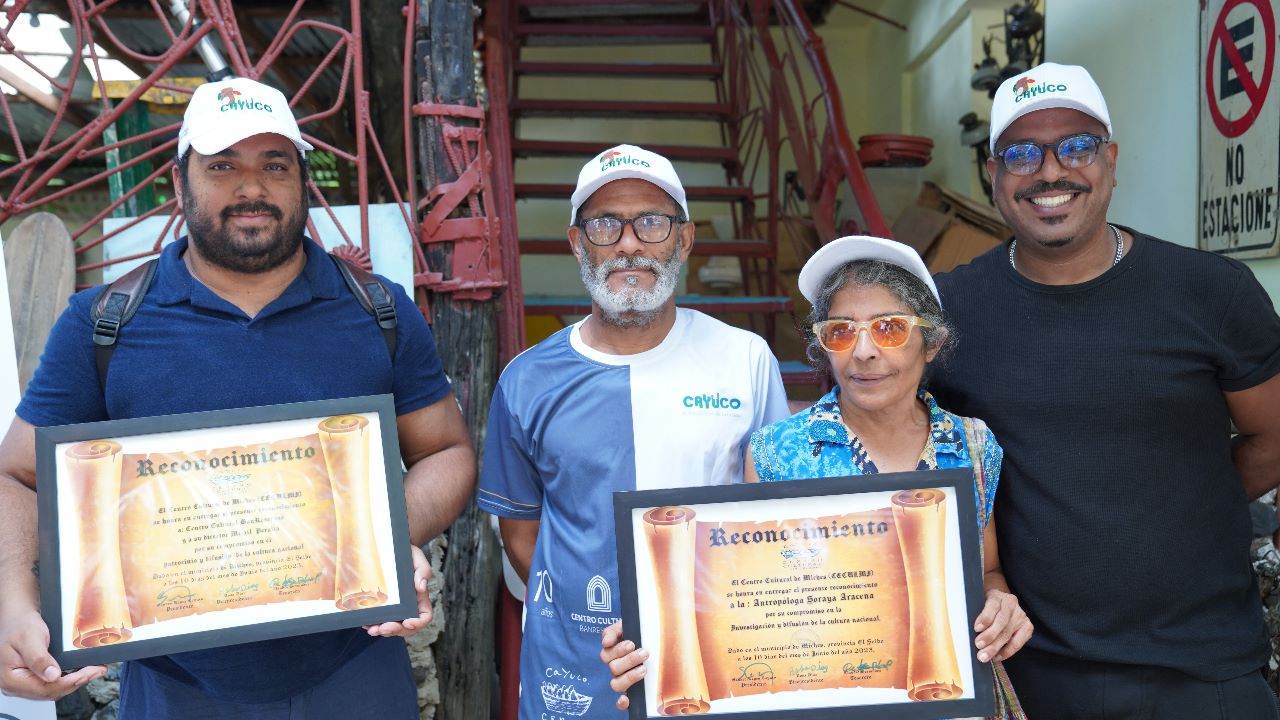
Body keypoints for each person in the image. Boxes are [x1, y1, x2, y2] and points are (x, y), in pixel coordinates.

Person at [0, 77, 476, 717]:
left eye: (273, 165)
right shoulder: (103, 322)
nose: (251, 187)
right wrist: (11, 602)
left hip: (353, 668)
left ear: (303, 180)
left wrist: (383, 538)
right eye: (223, 166)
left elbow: (447, 452)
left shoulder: (381, 311)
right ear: (180, 181)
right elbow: (19, 475)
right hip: (176, 685)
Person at [930, 62, 1280, 718]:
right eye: (1022, 153)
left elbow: (1275, 432)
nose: (1050, 172)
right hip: (1029, 669)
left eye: (1078, 147)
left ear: (1111, 160)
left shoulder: (1212, 292)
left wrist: (1189, 502)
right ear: (995, 173)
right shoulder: (950, 310)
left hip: (1205, 671)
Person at [601, 236, 1031, 716]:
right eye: (841, 331)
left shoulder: (971, 446)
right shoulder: (776, 454)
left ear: (930, 342)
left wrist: (1001, 602)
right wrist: (652, 642)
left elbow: (986, 569)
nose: (863, 351)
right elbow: (744, 600)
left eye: (889, 328)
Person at [477, 144, 790, 719]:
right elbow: (522, 535)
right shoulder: (526, 380)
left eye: (651, 221)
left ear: (684, 239)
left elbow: (769, 516)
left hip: (712, 661)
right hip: (575, 672)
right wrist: (589, 606)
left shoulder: (744, 359)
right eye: (604, 223)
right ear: (577, 243)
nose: (628, 242)